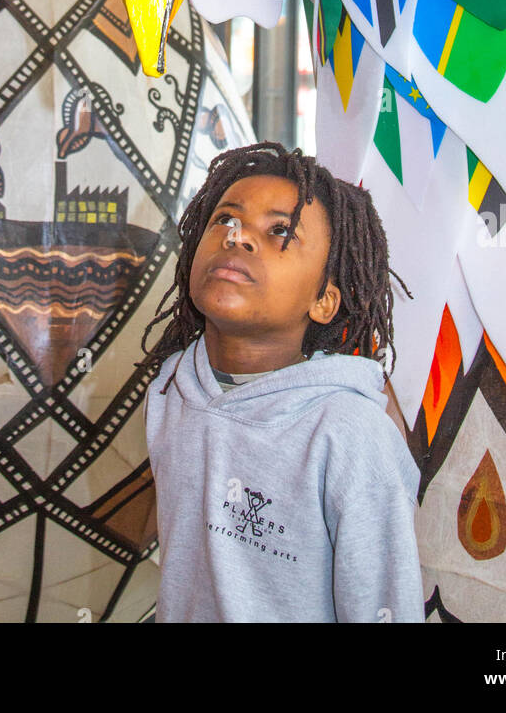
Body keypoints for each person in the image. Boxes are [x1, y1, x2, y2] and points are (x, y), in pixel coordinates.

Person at [140, 139, 424, 623]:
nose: (239, 238)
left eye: (279, 232)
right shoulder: (171, 388)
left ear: (323, 301)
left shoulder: (348, 433)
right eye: (226, 220)